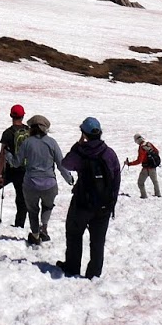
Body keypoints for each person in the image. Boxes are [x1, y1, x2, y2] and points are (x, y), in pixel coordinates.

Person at [59, 117, 122, 278]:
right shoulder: (109, 153)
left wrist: (78, 145)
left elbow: (65, 163)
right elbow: (116, 179)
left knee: (74, 235)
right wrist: (111, 202)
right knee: (98, 241)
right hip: (103, 206)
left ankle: (72, 268)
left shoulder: (81, 153)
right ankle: (94, 274)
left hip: (82, 203)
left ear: (84, 134)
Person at [18, 114, 73, 246]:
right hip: (49, 184)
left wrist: (8, 155)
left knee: (32, 210)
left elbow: (17, 162)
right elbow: (61, 163)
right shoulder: (52, 142)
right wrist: (69, 178)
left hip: (30, 183)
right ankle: (44, 227)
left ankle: (35, 235)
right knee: (47, 206)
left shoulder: (27, 142)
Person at [0, 104, 31, 227]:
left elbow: (2, 155)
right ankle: (19, 224)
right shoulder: (29, 131)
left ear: (11, 115)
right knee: (22, 197)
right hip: (25, 171)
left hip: (9, 171)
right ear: (23, 116)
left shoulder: (8, 133)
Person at [126, 133, 161, 198]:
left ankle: (144, 196)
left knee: (140, 183)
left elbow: (139, 161)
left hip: (146, 168)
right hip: (153, 167)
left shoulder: (141, 148)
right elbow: (157, 151)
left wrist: (129, 163)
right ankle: (158, 194)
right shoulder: (148, 144)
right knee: (155, 182)